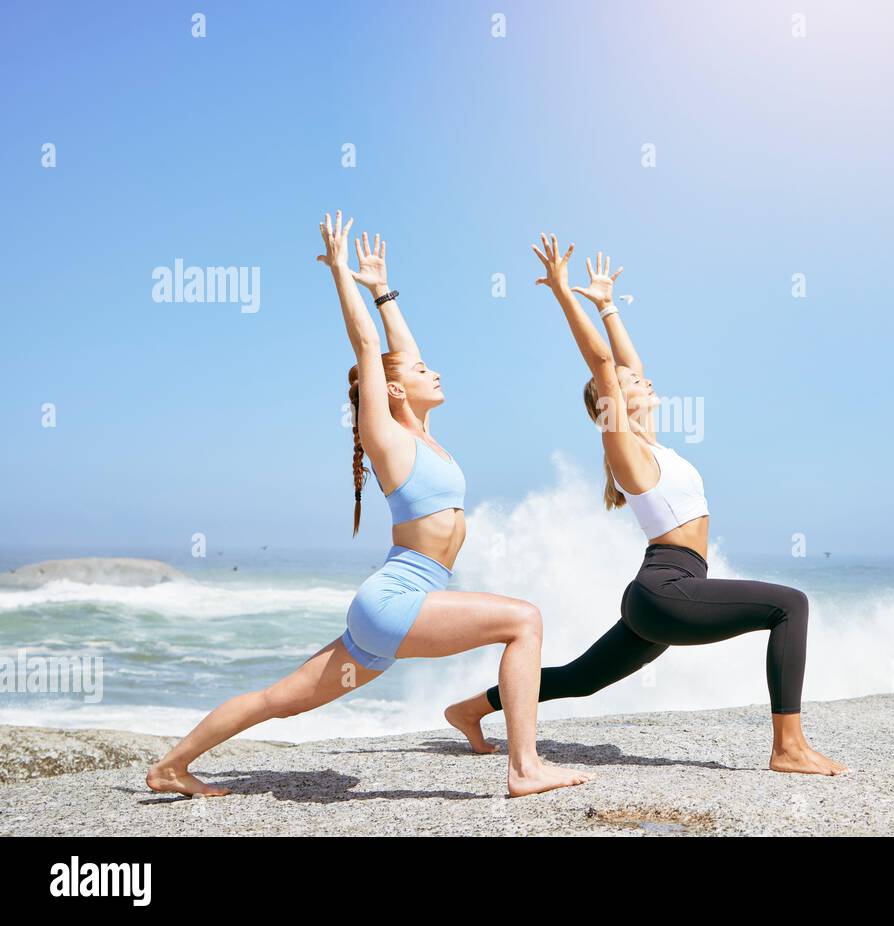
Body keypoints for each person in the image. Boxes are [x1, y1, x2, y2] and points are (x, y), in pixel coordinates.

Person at [145, 214, 591, 798]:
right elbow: (369, 348)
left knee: (278, 700)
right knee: (523, 620)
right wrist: (339, 275)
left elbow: (400, 350)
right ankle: (526, 768)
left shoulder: (423, 432)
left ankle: (169, 768)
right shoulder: (389, 438)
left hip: (387, 617)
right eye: (422, 370)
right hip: (397, 600)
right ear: (394, 390)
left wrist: (383, 288)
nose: (436, 369)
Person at [444, 234, 847, 776]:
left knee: (581, 679)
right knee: (790, 604)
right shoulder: (624, 450)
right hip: (667, 591)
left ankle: (469, 709)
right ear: (612, 399)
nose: (645, 377)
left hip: (660, 594)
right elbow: (605, 362)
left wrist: (607, 303)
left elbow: (624, 358)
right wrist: (564, 294)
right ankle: (788, 747)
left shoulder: (650, 442)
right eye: (632, 382)